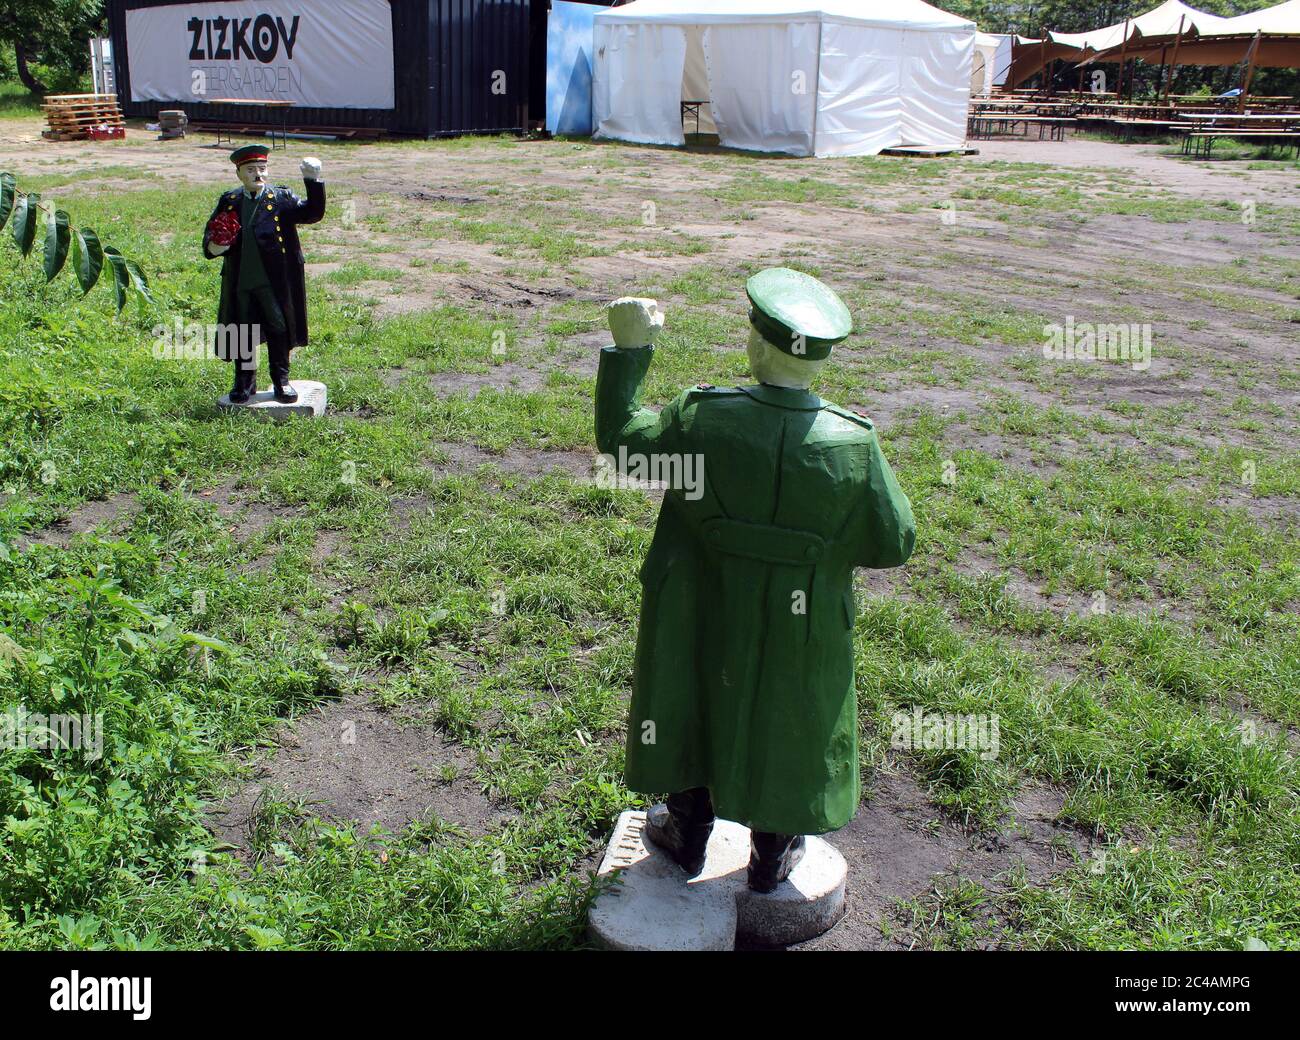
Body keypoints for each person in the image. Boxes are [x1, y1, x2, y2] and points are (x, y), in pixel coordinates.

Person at [595, 270, 916, 893]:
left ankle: (688, 827)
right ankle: (774, 848)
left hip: (699, 601)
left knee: (691, 693)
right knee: (790, 708)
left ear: (759, 345)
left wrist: (631, 349)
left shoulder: (702, 418)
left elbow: (624, 447)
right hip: (805, 621)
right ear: (818, 359)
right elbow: (893, 540)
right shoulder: (854, 443)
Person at [202, 144, 325, 404]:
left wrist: (313, 180)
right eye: (250, 170)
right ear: (239, 174)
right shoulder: (231, 201)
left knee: (279, 327)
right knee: (242, 330)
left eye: (262, 168)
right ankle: (244, 383)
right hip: (241, 280)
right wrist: (215, 246)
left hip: (273, 281)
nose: (258, 174)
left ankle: (281, 381)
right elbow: (212, 235)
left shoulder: (279, 199)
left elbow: (311, 213)